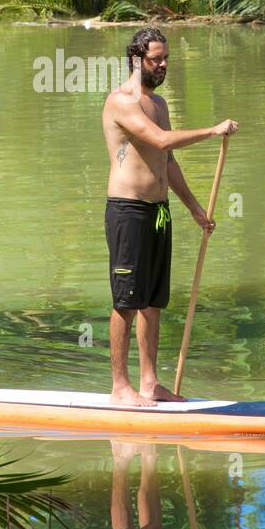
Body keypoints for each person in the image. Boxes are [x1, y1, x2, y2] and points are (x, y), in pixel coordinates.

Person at [102, 28, 237, 405]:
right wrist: (212, 130)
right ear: (135, 59)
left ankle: (149, 383)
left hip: (158, 212)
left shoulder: (159, 104)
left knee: (153, 302)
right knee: (126, 301)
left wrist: (195, 208)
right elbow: (160, 140)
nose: (162, 65)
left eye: (165, 59)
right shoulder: (121, 102)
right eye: (155, 59)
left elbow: (168, 160)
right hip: (128, 211)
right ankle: (119, 388)